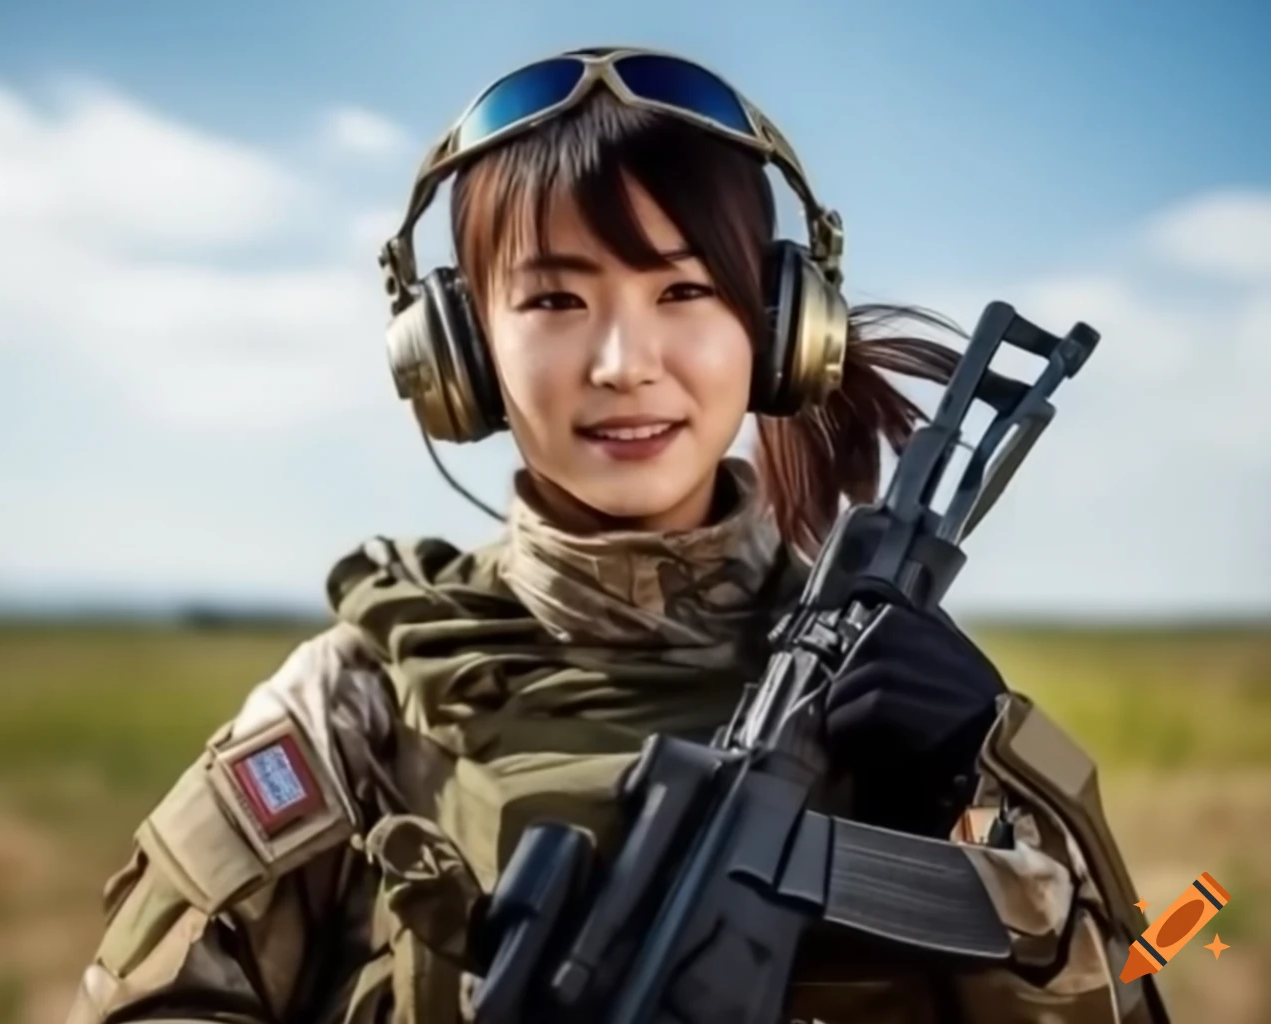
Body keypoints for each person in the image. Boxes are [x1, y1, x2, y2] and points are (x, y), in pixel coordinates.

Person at [65, 47, 1169, 1024]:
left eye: (684, 289)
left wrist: (988, 780)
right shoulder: (357, 701)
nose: (622, 361)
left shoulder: (901, 700)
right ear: (457, 354)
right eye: (553, 301)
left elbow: (1153, 977)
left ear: (783, 330)